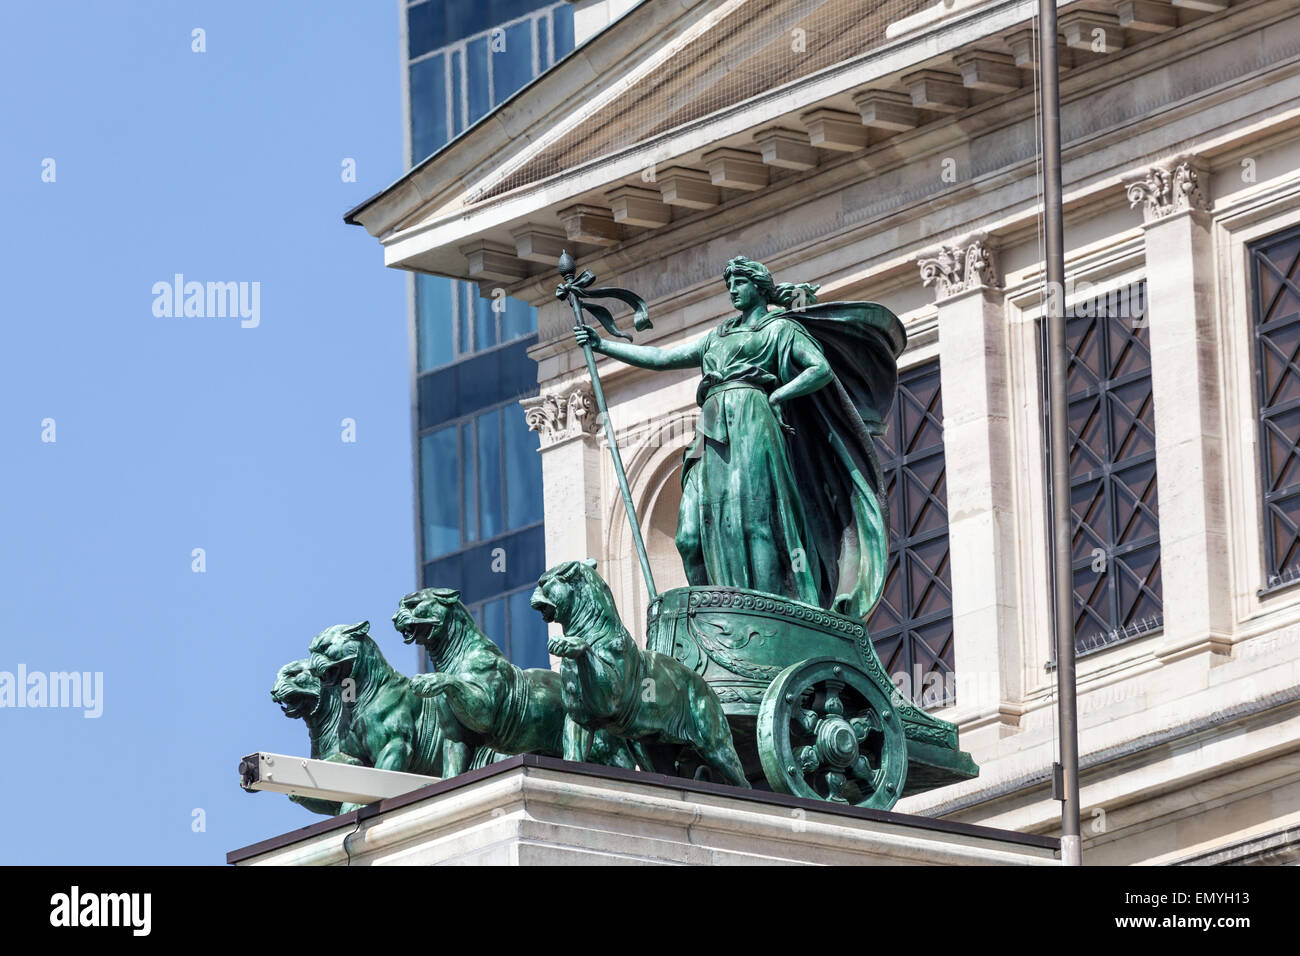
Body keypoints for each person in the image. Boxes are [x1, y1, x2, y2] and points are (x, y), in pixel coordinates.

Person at [574, 256, 903, 620]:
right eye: (729, 283)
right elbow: (662, 358)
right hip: (712, 426)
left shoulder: (779, 331)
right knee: (689, 534)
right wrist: (603, 346)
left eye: (740, 283)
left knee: (756, 521)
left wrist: (778, 396)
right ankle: (714, 617)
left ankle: (764, 615)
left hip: (753, 420)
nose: (732, 290)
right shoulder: (718, 337)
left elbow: (819, 368)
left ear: (759, 288)